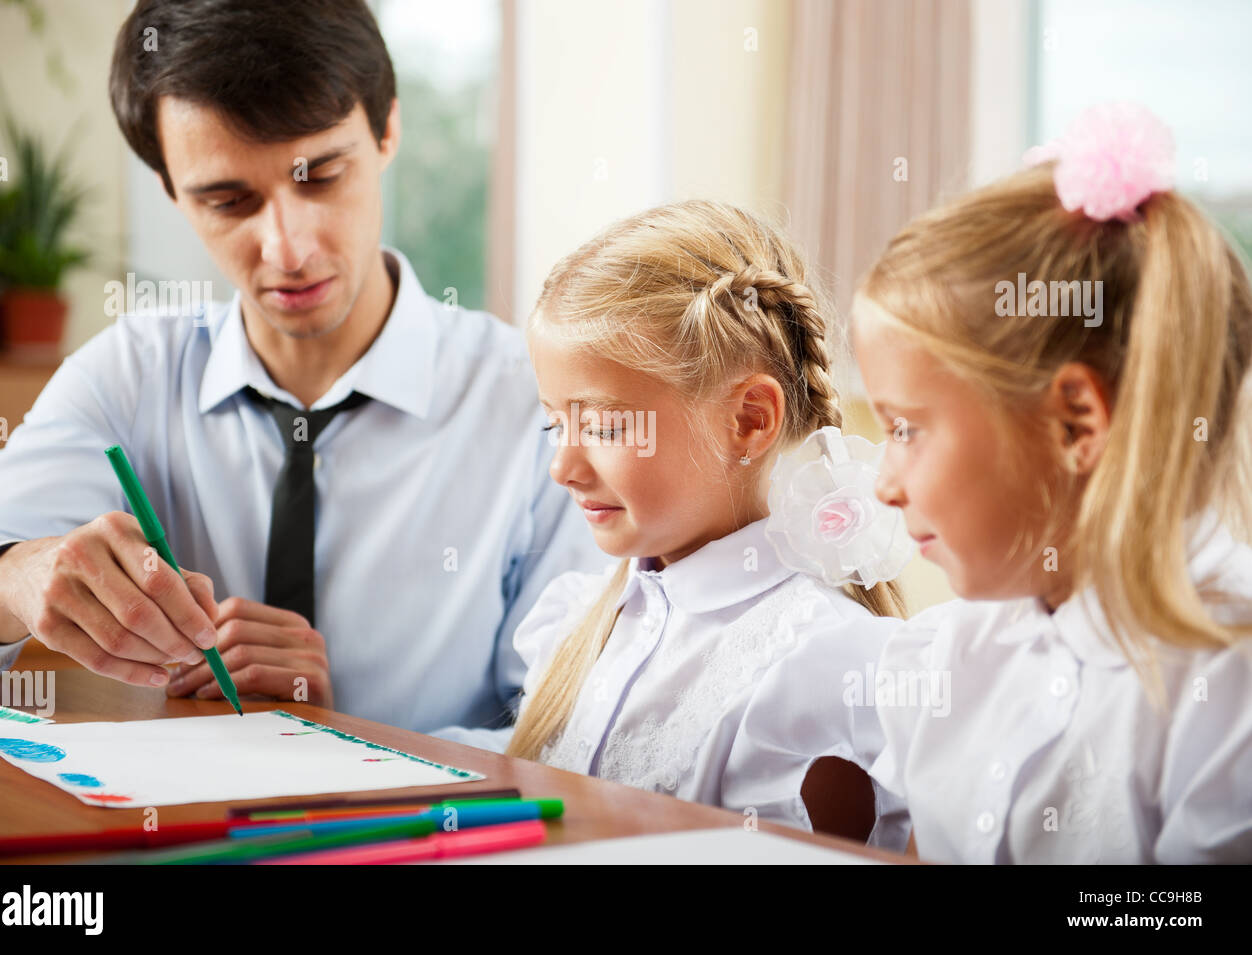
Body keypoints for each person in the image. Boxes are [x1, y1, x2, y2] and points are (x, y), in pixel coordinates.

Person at [0, 0, 604, 735]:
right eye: (228, 200)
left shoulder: (533, 402)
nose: (287, 249)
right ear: (171, 188)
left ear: (387, 129)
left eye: (321, 176)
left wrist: (351, 743)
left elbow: (574, 731)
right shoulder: (128, 378)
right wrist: (7, 583)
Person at [853, 103, 1252, 862]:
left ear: (1075, 423)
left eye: (904, 429)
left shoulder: (1225, 684)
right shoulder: (943, 657)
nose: (885, 486)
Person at [450, 199, 911, 845]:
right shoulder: (574, 621)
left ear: (749, 419)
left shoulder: (818, 666)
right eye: (557, 423)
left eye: (605, 426)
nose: (562, 466)